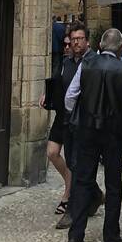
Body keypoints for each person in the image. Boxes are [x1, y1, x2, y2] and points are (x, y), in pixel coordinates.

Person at [64, 27, 122, 242]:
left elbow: (70, 96)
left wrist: (81, 114)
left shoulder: (86, 65)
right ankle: (110, 237)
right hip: (114, 132)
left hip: (87, 130)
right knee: (113, 183)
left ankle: (76, 235)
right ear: (119, 48)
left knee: (83, 181)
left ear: (101, 46)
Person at [56, 21, 101, 231]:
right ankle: (95, 194)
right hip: (68, 122)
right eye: (73, 39)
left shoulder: (93, 62)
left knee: (78, 164)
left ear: (87, 40)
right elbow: (62, 86)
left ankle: (72, 211)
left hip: (85, 122)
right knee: (74, 164)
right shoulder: (67, 62)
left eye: (79, 39)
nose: (76, 43)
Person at [40, 23, 73, 214]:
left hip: (73, 117)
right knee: (52, 152)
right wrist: (47, 96)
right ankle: (80, 187)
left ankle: (67, 196)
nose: (67, 47)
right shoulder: (62, 62)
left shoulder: (80, 64)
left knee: (72, 158)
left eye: (70, 44)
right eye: (65, 44)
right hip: (61, 115)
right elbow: (56, 84)